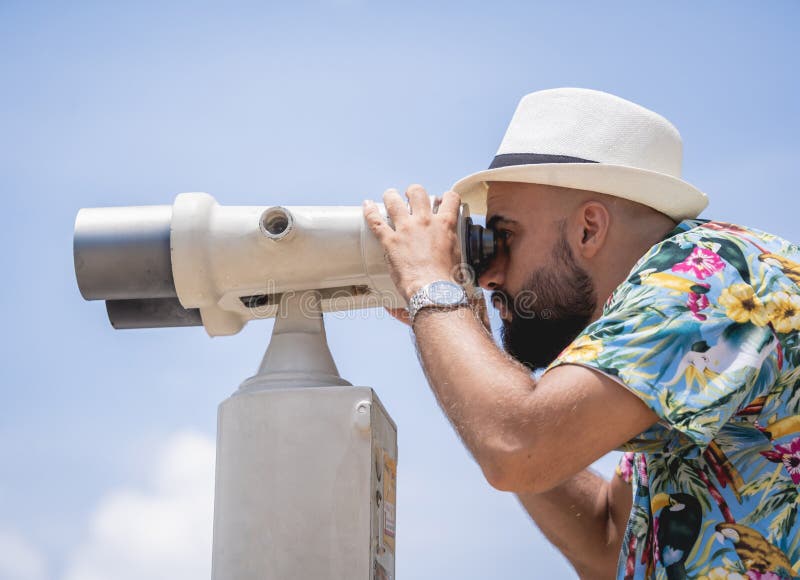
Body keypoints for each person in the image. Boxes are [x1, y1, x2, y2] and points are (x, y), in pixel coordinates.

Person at [363, 88, 800, 579]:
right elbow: (606, 541)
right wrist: (469, 330)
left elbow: (519, 446)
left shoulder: (708, 275)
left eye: (503, 237)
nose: (487, 276)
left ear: (589, 229)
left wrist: (428, 281)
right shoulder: (669, 320)